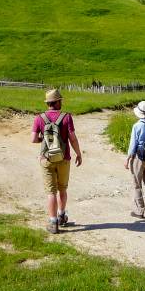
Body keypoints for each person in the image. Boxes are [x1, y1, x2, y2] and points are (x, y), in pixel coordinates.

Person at [32, 89, 82, 234]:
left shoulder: (39, 118)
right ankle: (61, 215)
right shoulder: (67, 117)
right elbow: (72, 138)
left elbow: (33, 139)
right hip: (64, 158)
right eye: (61, 100)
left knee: (51, 192)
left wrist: (44, 139)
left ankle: (53, 223)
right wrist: (78, 154)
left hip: (46, 159)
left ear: (48, 103)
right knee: (62, 189)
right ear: (58, 102)